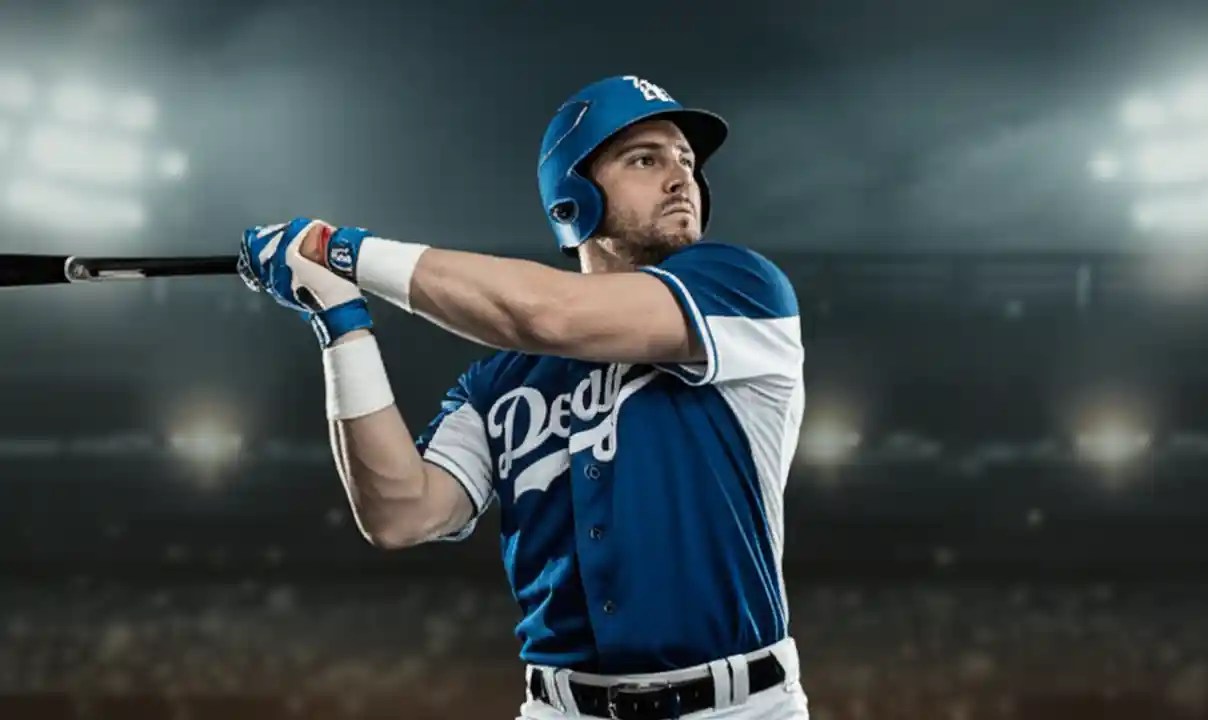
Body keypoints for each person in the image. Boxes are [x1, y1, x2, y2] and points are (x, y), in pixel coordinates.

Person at [236, 74, 809, 719]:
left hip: (738, 707)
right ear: (573, 198)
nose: (682, 179)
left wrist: (341, 251)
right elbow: (402, 513)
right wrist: (342, 324)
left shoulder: (742, 290)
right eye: (645, 160)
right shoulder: (500, 383)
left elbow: (549, 315)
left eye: (686, 161)